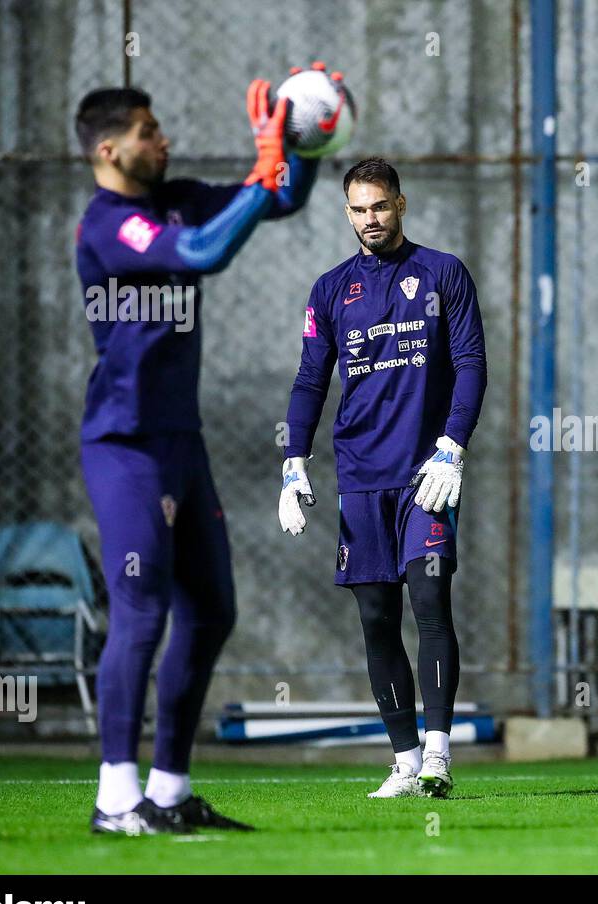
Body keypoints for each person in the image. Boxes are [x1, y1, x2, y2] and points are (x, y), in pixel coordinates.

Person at [76, 66, 327, 833]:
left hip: (182, 442)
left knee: (212, 611)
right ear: (112, 149)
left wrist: (302, 140)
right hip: (126, 446)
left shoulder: (175, 197)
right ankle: (116, 800)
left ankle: (171, 793)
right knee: (142, 614)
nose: (165, 140)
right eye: (150, 132)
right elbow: (201, 256)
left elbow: (279, 199)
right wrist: (258, 175)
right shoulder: (108, 225)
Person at [279, 156, 487, 799]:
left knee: (429, 600)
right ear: (347, 213)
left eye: (380, 206)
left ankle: (437, 757)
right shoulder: (329, 290)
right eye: (358, 209)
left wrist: (452, 447)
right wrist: (293, 461)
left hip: (427, 474)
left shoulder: (442, 273)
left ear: (401, 204)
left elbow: (473, 364)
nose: (370, 219)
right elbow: (312, 379)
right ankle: (402, 761)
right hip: (361, 477)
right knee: (375, 617)